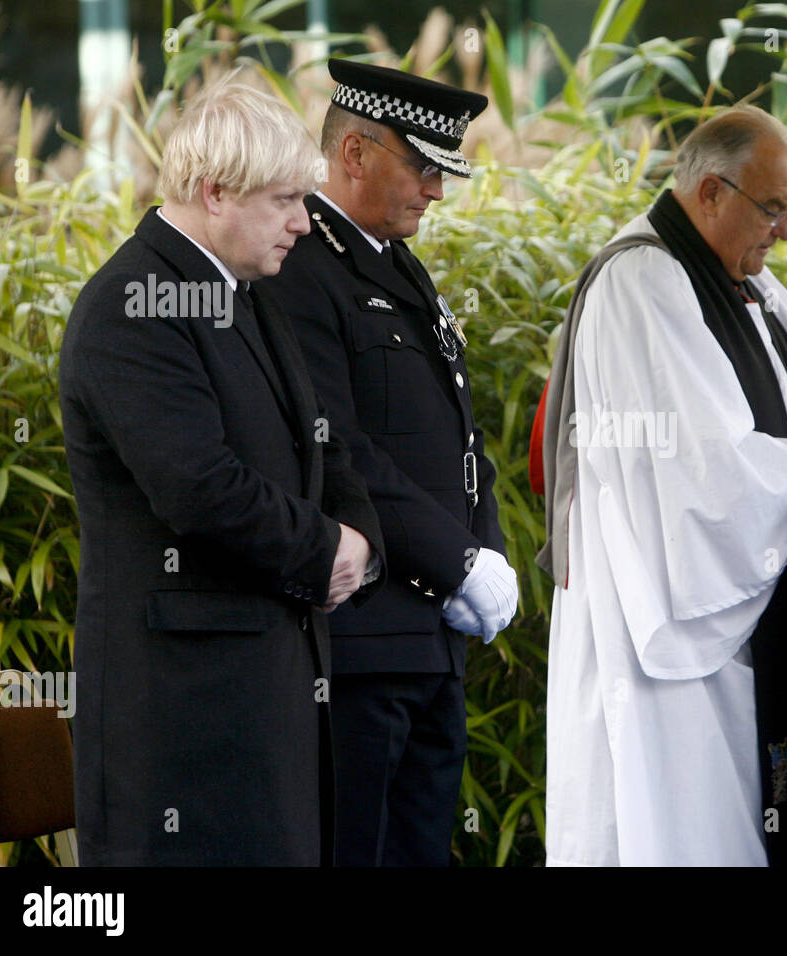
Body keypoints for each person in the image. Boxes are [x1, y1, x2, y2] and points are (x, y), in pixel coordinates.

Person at [538, 105, 787, 867]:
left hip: (739, 618)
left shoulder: (746, 280)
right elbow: (696, 468)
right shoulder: (642, 279)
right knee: (680, 831)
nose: (785, 230)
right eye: (774, 208)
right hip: (666, 626)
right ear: (711, 193)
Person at [59, 77, 385, 866]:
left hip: (259, 708)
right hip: (181, 730)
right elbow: (199, 490)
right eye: (283, 200)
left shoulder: (242, 291)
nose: (303, 222)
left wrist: (362, 543)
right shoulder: (128, 308)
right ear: (213, 192)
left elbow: (325, 445)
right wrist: (324, 551)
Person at [259, 61, 516, 867]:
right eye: (425, 166)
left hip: (429, 636)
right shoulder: (302, 266)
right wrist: (456, 561)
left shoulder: (398, 263)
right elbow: (340, 446)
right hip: (364, 642)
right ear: (358, 153)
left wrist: (487, 550)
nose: (437, 190)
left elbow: (457, 439)